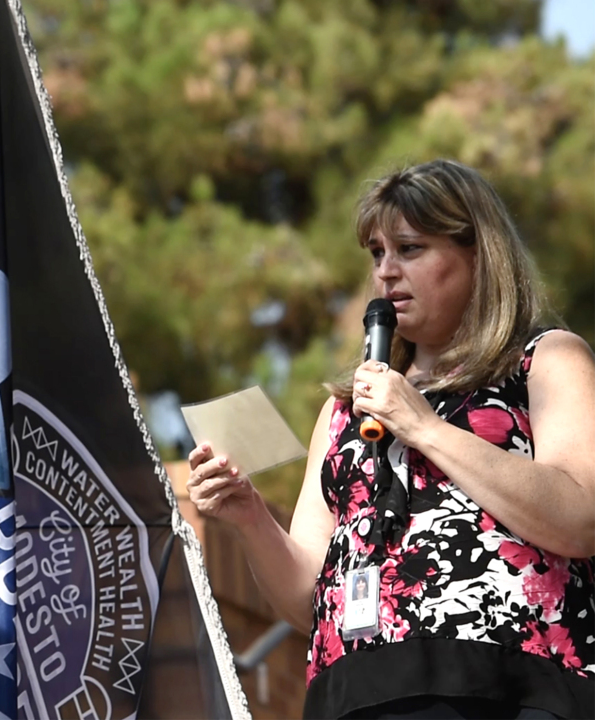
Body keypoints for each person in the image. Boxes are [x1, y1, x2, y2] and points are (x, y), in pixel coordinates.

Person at [186, 159, 594, 719]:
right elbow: (306, 601)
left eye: (409, 249)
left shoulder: (542, 360)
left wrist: (426, 428)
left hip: (507, 686)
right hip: (358, 694)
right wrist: (249, 516)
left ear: (478, 254)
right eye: (377, 253)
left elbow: (580, 517)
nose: (386, 272)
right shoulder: (344, 410)